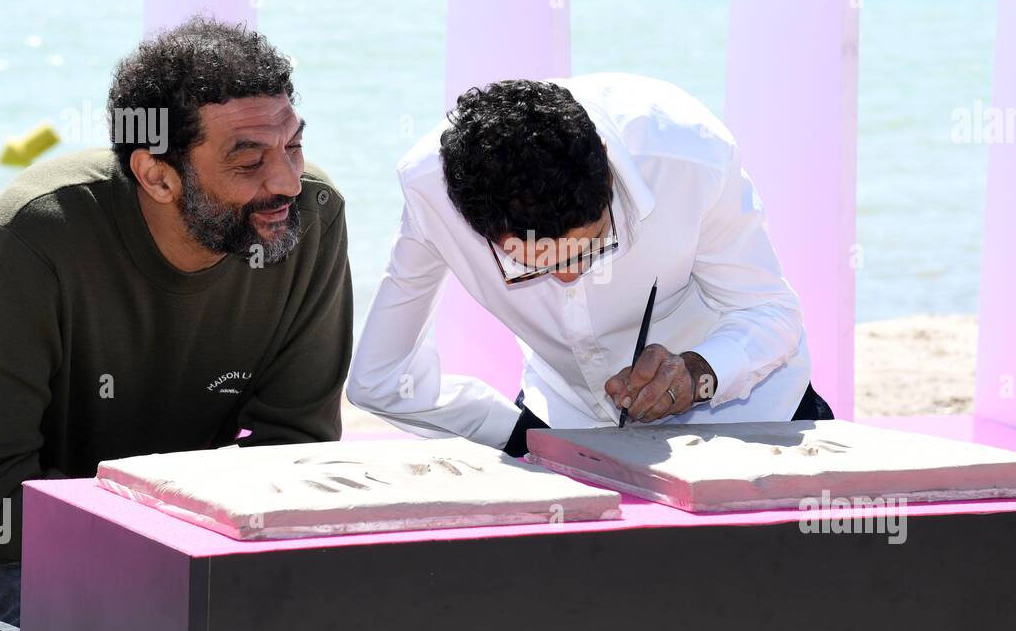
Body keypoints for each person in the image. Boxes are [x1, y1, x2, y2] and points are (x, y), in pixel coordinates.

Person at [0, 15, 354, 625]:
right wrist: (174, 547)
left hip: (143, 517)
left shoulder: (311, 216)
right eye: (248, 162)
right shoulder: (32, 235)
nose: (285, 181)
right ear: (156, 176)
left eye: (294, 145)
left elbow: (295, 450)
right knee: (129, 630)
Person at [347, 72, 831, 458]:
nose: (570, 276)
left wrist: (700, 372)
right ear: (471, 221)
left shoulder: (687, 153)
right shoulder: (431, 191)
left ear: (604, 164)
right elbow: (379, 380)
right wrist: (515, 433)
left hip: (755, 421)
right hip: (568, 434)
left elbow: (770, 314)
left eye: (591, 247)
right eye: (532, 266)